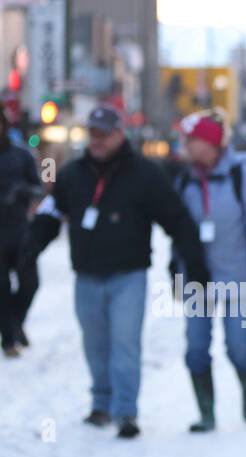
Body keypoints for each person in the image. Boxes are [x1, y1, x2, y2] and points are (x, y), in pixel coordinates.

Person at [22, 104, 210, 439]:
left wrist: (191, 262)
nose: (97, 141)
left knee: (124, 343)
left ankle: (126, 411)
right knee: (95, 344)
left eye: (104, 134)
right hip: (87, 275)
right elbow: (52, 214)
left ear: (119, 134)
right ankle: (101, 404)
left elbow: (176, 219)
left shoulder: (146, 174)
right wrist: (30, 247)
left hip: (129, 275)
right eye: (93, 134)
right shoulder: (72, 174)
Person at [171, 109, 246, 433]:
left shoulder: (241, 175)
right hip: (197, 280)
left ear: (210, 143)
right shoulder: (183, 178)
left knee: (239, 346)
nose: (187, 147)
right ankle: (206, 412)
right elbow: (178, 230)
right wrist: (176, 269)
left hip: (238, 277)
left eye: (192, 141)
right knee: (194, 348)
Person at [0, 109, 40, 357]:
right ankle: (9, 339)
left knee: (30, 283)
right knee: (1, 288)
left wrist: (21, 191)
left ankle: (15, 324)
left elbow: (40, 183)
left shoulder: (22, 154)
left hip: (20, 229)